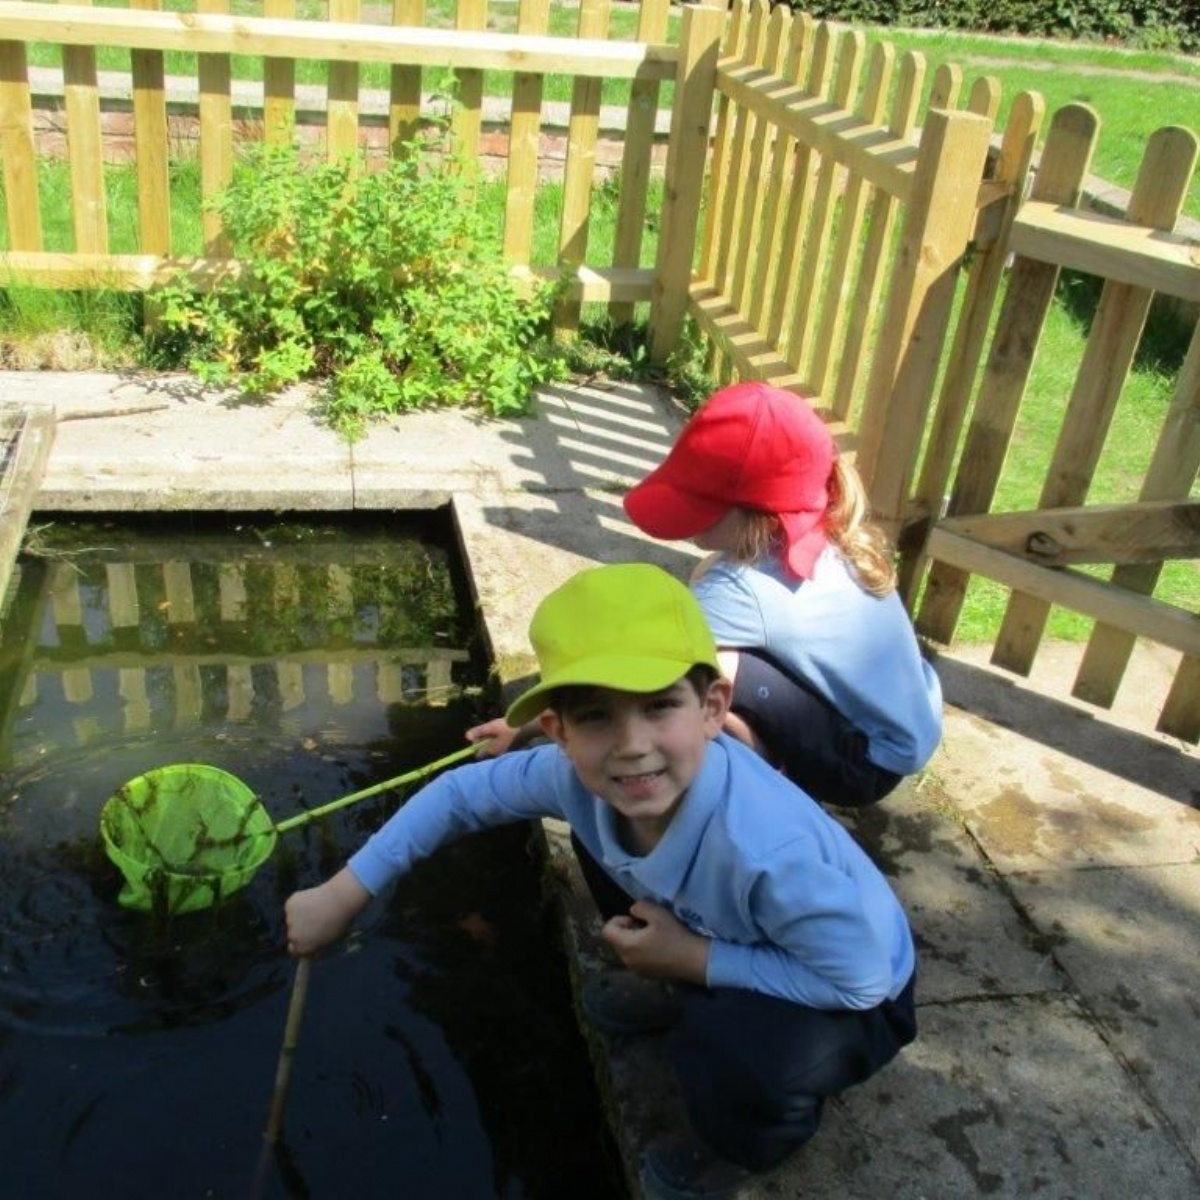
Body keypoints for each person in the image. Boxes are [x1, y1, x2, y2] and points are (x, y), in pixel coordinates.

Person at [286, 563, 917, 1200]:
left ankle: (744, 1143)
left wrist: (697, 960)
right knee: (603, 835)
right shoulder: (573, 779)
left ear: (712, 708)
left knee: (736, 1058)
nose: (632, 746)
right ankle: (684, 989)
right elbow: (460, 796)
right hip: (731, 928)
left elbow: (859, 979)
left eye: (660, 706)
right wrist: (344, 891)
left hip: (851, 989)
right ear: (557, 732)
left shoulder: (768, 849)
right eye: (595, 716)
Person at [620, 379, 943, 809]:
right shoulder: (824, 534)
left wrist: (533, 730)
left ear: (755, 512)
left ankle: (771, 773)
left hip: (865, 765)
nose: (685, 510)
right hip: (904, 724)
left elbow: (640, 669)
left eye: (699, 498)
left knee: (705, 670)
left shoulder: (742, 588)